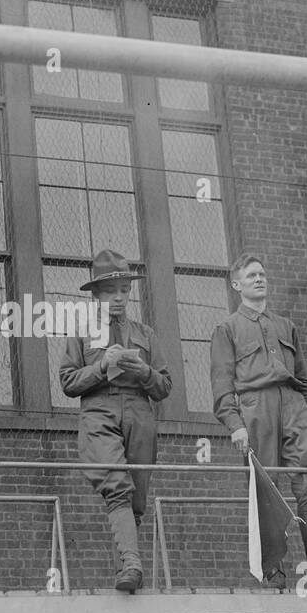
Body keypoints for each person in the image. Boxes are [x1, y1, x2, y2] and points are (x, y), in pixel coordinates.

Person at [209, 252, 307, 587]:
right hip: (255, 407)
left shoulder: (285, 326)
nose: (259, 279)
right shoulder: (227, 330)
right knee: (267, 489)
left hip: (294, 406)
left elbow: (303, 377)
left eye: (262, 274)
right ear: (236, 285)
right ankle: (274, 573)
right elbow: (221, 385)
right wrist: (235, 424)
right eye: (251, 276)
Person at [59, 249, 172, 592]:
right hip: (99, 411)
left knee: (134, 500)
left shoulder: (146, 334)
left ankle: (126, 575)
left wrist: (145, 372)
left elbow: (165, 386)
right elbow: (67, 382)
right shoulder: (81, 333)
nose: (119, 298)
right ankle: (133, 566)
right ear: (96, 295)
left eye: (124, 290)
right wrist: (101, 367)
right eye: (111, 292)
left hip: (139, 413)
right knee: (116, 486)